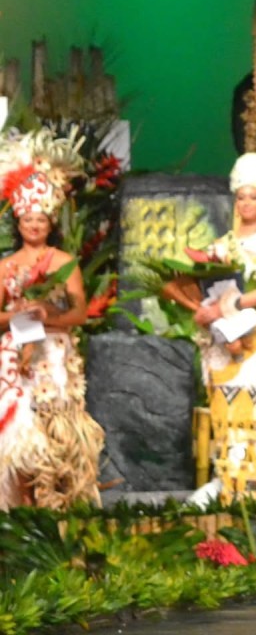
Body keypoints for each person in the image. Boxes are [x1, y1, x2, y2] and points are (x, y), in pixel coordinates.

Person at [183, 152, 256, 505]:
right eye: (242, 197)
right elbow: (207, 290)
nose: (247, 203)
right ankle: (227, 481)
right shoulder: (219, 247)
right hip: (225, 336)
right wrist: (206, 311)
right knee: (227, 407)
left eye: (254, 197)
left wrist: (232, 304)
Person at [0, 133, 104, 510]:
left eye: (41, 219)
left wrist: (49, 314)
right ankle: (23, 513)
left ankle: (59, 510)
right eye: (28, 219)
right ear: (18, 221)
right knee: (21, 441)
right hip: (16, 359)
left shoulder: (63, 263)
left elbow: (79, 314)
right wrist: (16, 316)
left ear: (50, 222)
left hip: (54, 357)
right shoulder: (6, 266)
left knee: (57, 438)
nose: (34, 225)